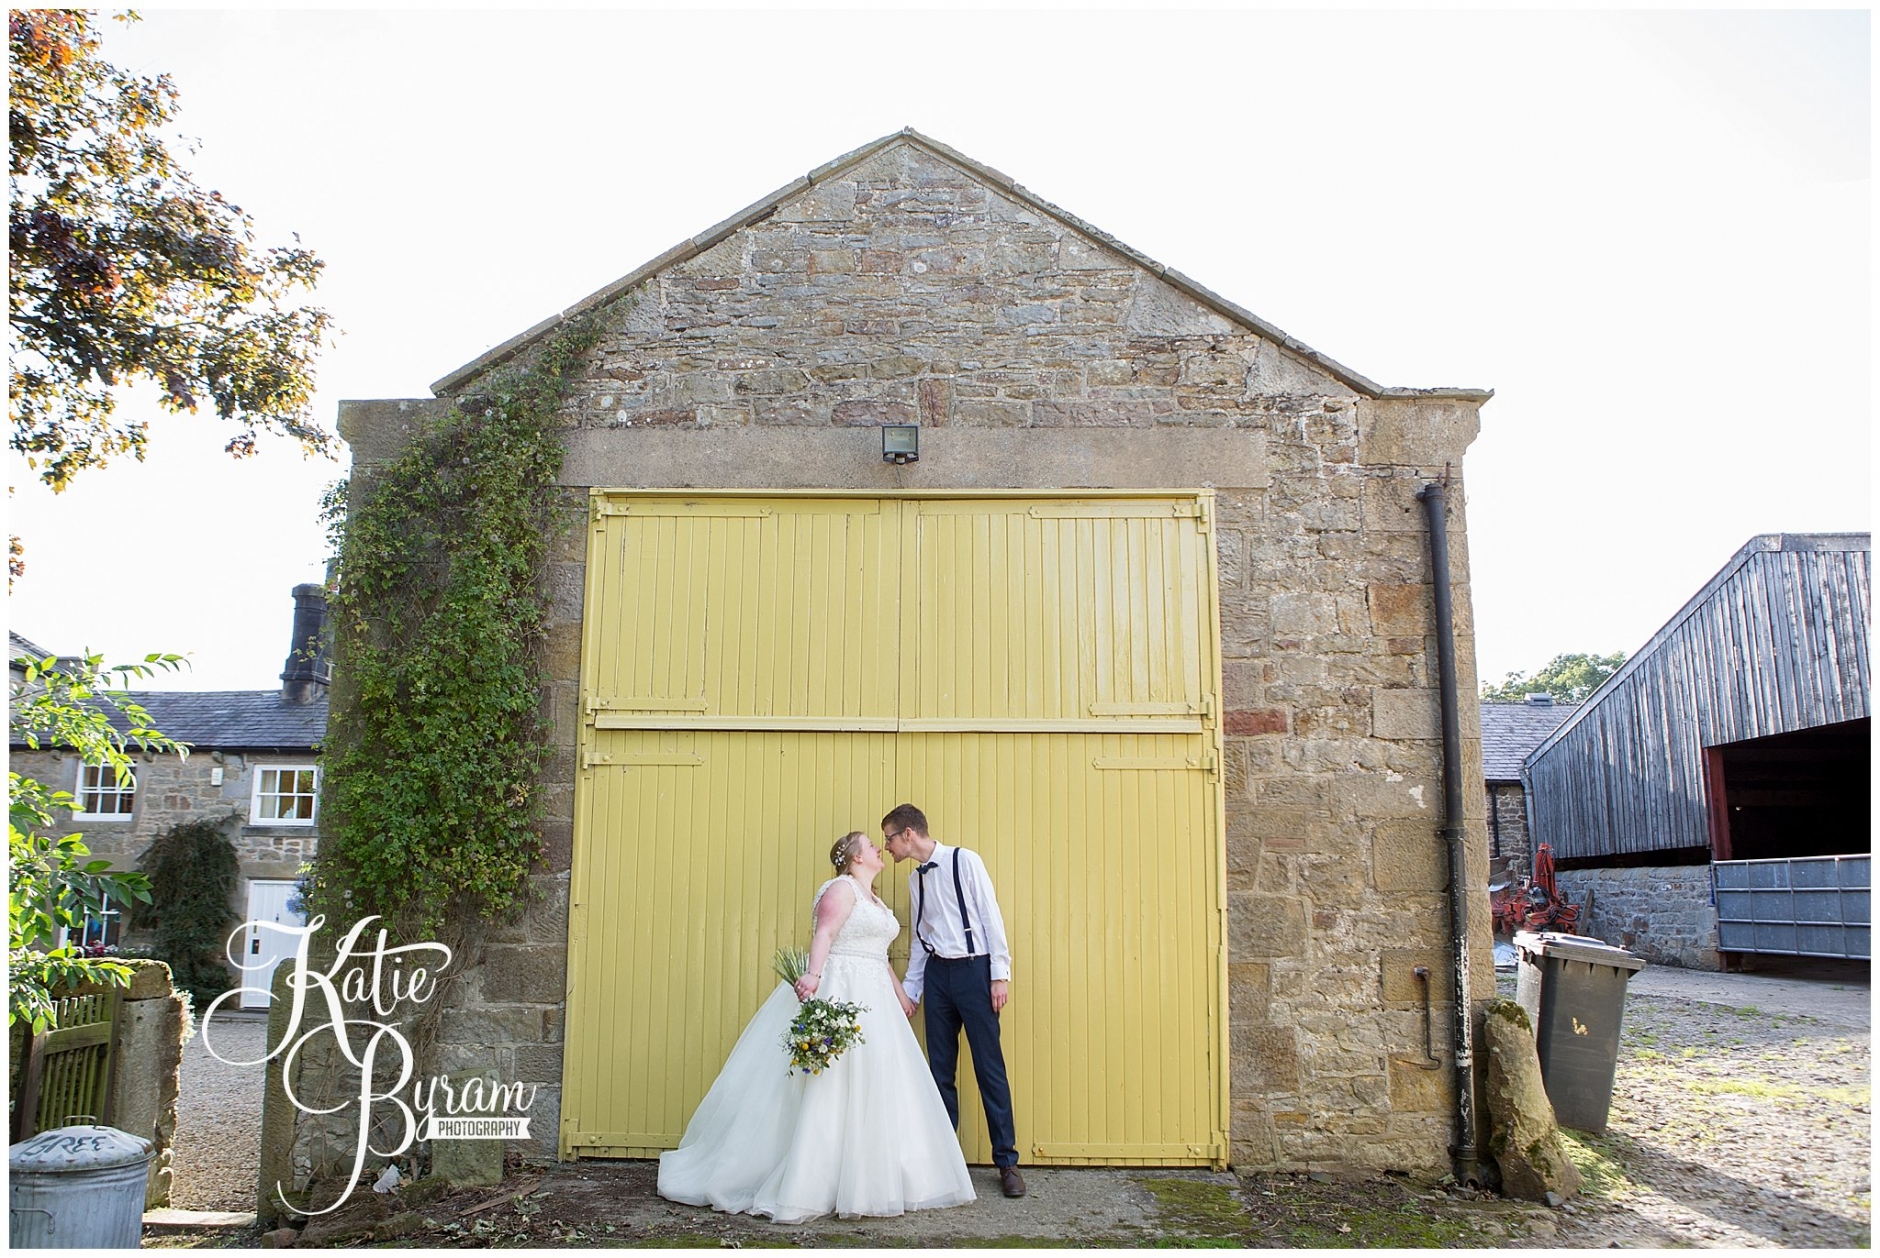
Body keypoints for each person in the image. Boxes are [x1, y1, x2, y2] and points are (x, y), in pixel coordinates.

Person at [656, 831, 975, 1222]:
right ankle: (817, 1177)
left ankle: (876, 1175)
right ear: (855, 858)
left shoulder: (872, 897)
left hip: (875, 994)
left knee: (876, 1079)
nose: (879, 849)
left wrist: (901, 995)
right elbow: (823, 934)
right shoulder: (841, 890)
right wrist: (813, 975)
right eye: (871, 845)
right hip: (842, 988)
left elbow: (879, 956)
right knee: (832, 1081)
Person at [881, 804, 1026, 1199]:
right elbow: (918, 941)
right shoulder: (916, 880)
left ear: (908, 834)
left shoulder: (965, 860)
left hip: (975, 972)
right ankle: (944, 1163)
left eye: (890, 838)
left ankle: (1007, 1162)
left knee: (988, 1067)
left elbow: (990, 917)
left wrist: (999, 974)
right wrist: (911, 992)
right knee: (939, 1071)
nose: (887, 847)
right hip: (938, 976)